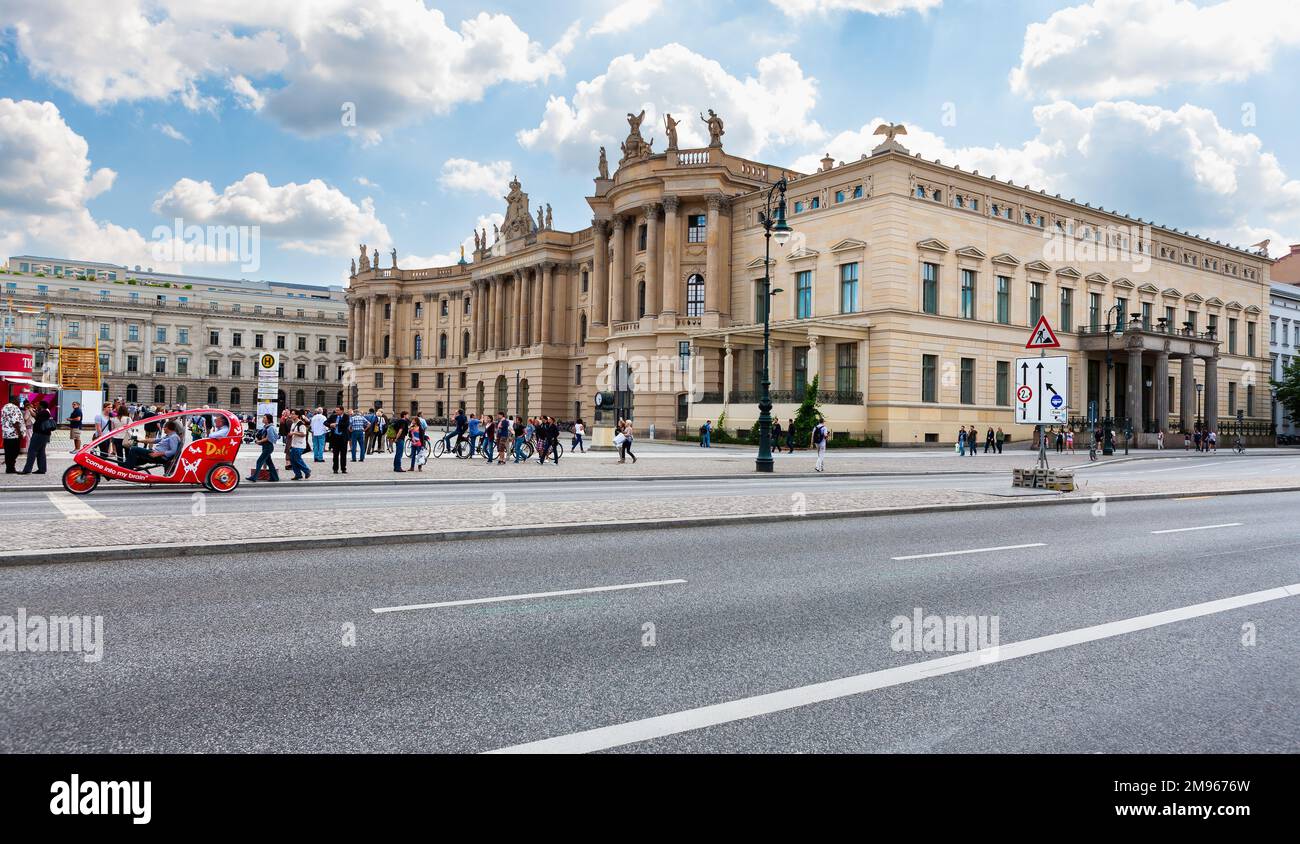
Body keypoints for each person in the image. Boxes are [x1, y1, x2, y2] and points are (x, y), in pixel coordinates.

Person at [18, 400, 52, 474]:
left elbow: (35, 415)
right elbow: (37, 416)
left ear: (41, 406)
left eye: (38, 404)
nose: (37, 405)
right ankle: (42, 469)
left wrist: (29, 409)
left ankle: (27, 469)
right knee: (41, 452)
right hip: (43, 435)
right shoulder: (44, 412)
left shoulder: (44, 412)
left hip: (39, 434)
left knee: (32, 450)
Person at [245, 414, 280, 481]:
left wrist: (259, 441)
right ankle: (275, 477)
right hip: (266, 446)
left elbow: (268, 438)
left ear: (268, 420)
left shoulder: (270, 427)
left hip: (268, 447)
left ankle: (254, 477)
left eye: (264, 418)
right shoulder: (266, 427)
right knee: (269, 463)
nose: (263, 419)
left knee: (259, 461)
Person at [2, 395, 25, 474]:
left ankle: (9, 468)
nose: (19, 401)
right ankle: (11, 468)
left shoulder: (5, 407)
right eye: (18, 400)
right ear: (14, 400)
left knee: (8, 452)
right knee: (15, 451)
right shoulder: (14, 408)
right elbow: (15, 422)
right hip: (13, 434)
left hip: (6, 434)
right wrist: (20, 434)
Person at [288, 411, 311, 480]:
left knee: (297, 459)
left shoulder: (301, 424)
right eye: (291, 414)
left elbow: (303, 434)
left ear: (297, 415)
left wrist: (294, 433)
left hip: (299, 445)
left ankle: (307, 470)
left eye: (293, 414)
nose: (291, 415)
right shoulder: (293, 423)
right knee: (292, 460)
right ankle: (298, 474)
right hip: (294, 444)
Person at [328, 406, 350, 473]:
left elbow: (346, 424)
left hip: (343, 438)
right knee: (335, 454)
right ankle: (335, 469)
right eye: (336, 410)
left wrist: (336, 424)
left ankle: (343, 468)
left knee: (343, 454)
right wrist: (330, 425)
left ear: (342, 411)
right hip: (335, 438)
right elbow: (325, 422)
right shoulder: (333, 416)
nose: (336, 412)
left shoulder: (346, 416)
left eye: (338, 410)